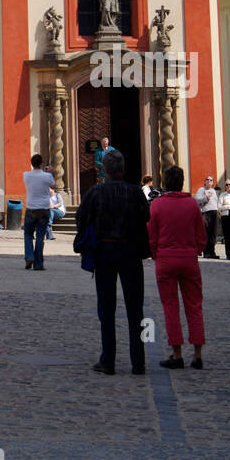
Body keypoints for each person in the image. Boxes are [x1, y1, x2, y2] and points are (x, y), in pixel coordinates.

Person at [75, 148, 150, 376]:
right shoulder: (135, 192)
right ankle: (138, 361)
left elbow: (81, 218)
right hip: (130, 251)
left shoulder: (96, 192)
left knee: (106, 308)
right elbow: (146, 217)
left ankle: (108, 360)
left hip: (105, 251)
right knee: (135, 308)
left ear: (104, 169)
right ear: (123, 169)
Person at [148, 165, 207, 370]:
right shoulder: (191, 205)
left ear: (165, 182)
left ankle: (177, 353)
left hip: (165, 260)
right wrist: (195, 250)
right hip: (189, 260)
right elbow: (202, 236)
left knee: (170, 307)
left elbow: (151, 235)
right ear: (182, 182)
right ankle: (197, 354)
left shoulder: (157, 205)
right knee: (194, 306)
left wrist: (156, 253)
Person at [23, 153, 55, 269]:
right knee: (40, 236)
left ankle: (29, 256)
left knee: (27, 234)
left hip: (31, 207)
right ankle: (39, 264)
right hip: (44, 208)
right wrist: (50, 172)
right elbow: (53, 186)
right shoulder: (47, 176)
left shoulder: (26, 175)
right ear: (42, 164)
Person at [195, 175, 219, 259]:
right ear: (204, 181)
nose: (209, 181)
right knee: (207, 233)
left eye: (211, 180)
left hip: (214, 212)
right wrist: (206, 198)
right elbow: (197, 200)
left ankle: (212, 252)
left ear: (213, 183)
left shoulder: (214, 191)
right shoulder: (201, 190)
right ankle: (206, 252)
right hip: (206, 212)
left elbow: (216, 201)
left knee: (213, 233)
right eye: (207, 179)